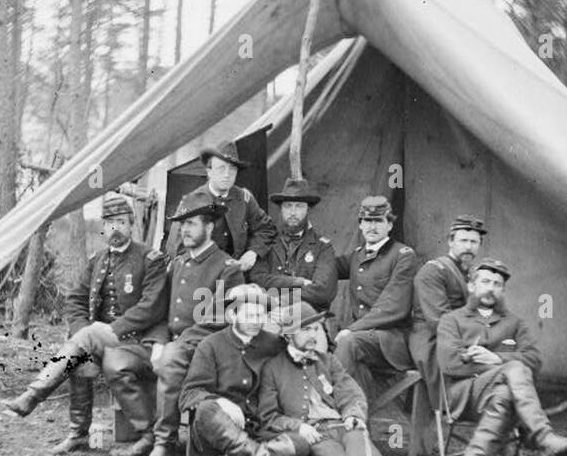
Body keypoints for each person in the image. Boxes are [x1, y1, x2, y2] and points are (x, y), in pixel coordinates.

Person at [3, 193, 168, 453]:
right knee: (79, 360)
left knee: (84, 345)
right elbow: (76, 299)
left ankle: (34, 394)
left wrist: (110, 329)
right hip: (99, 340)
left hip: (136, 341)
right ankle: (78, 434)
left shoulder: (150, 260)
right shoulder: (97, 260)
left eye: (122, 222)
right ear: (103, 228)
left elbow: (151, 307)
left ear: (132, 223)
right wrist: (83, 333)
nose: (116, 229)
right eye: (110, 224)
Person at [258, 303, 433, 456]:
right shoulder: (272, 368)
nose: (313, 334)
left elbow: (351, 392)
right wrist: (298, 426)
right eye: (306, 330)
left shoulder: (328, 361)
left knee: (358, 436)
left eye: (316, 328)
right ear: (288, 336)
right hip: (313, 434)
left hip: (341, 424)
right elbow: (268, 417)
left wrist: (353, 414)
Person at [109, 196, 244, 456]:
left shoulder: (227, 267)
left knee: (169, 361)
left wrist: (174, 345)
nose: (184, 230)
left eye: (191, 224)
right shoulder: (177, 264)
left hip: (203, 347)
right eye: (182, 225)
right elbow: (159, 311)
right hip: (167, 341)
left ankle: (164, 447)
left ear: (210, 227)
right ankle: (146, 434)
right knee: (116, 361)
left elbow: (217, 321)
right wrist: (159, 341)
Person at [437, 257, 567, 456]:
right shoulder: (451, 320)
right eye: (485, 281)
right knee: (516, 366)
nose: (490, 288)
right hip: (463, 395)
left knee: (505, 395)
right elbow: (449, 363)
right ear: (471, 286)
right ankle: (543, 437)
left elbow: (535, 361)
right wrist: (498, 363)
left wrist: (495, 358)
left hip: (499, 396)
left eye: (497, 283)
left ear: (502, 291)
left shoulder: (514, 323)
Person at [176, 285, 312, 456]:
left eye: (260, 314)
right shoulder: (210, 345)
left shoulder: (273, 343)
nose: (257, 320)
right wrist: (222, 402)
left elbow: (298, 363)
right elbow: (189, 394)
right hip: (219, 434)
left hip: (257, 431)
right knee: (206, 409)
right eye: (249, 314)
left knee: (300, 445)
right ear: (232, 314)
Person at [332, 195, 419, 409]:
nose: (372, 226)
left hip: (392, 341)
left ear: (389, 225)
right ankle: (356, 419)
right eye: (367, 221)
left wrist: (351, 330)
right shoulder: (357, 255)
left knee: (347, 342)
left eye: (379, 221)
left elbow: (393, 306)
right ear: (360, 225)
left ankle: (330, 408)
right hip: (364, 341)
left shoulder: (403, 255)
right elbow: (326, 269)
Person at [164, 138, 275, 275]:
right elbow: (177, 250)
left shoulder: (244, 198)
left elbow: (266, 229)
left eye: (232, 170)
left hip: (237, 275)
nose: (227, 175)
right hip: (201, 276)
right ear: (209, 171)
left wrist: (252, 253)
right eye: (221, 168)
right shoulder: (192, 202)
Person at [410, 214, 487, 406]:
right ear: (450, 241)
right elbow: (439, 321)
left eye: (474, 242)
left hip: (459, 335)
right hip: (431, 338)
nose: (469, 247)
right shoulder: (434, 271)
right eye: (463, 241)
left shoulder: (472, 273)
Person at [250, 176, 338, 311]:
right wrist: (297, 282)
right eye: (288, 206)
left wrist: (281, 301)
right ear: (281, 209)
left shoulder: (322, 247)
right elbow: (257, 278)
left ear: (308, 209)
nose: (293, 212)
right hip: (269, 316)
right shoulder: (267, 242)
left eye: (299, 206)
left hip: (308, 319)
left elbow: (323, 291)